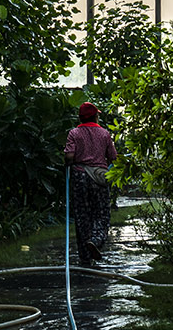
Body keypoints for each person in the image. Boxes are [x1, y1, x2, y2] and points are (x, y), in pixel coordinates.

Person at [64, 102, 117, 267]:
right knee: (101, 214)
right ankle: (95, 240)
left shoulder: (74, 133)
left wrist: (68, 163)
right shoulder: (104, 134)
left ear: (80, 117)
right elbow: (113, 157)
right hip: (99, 178)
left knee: (82, 216)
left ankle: (85, 257)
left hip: (80, 176)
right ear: (95, 116)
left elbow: (69, 157)